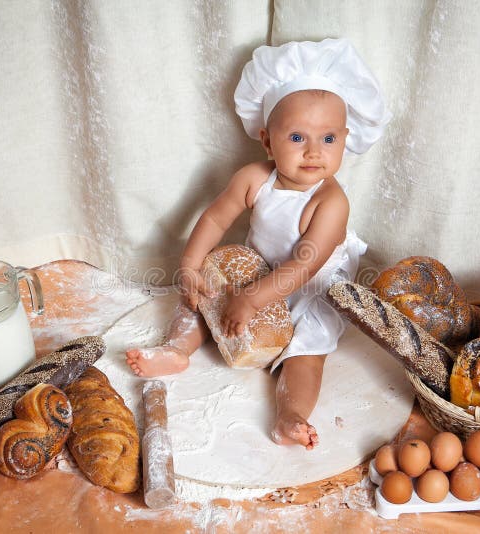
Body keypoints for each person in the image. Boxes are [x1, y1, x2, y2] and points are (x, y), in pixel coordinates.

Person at [126, 38, 391, 450]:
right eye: (298, 138)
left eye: (328, 139)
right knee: (203, 294)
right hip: (257, 270)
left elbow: (303, 265)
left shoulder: (330, 201)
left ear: (345, 139)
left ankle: (291, 414)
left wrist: (251, 301)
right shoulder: (254, 177)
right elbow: (216, 217)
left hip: (310, 288)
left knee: (307, 351)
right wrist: (192, 264)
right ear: (268, 141)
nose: (313, 152)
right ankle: (176, 349)